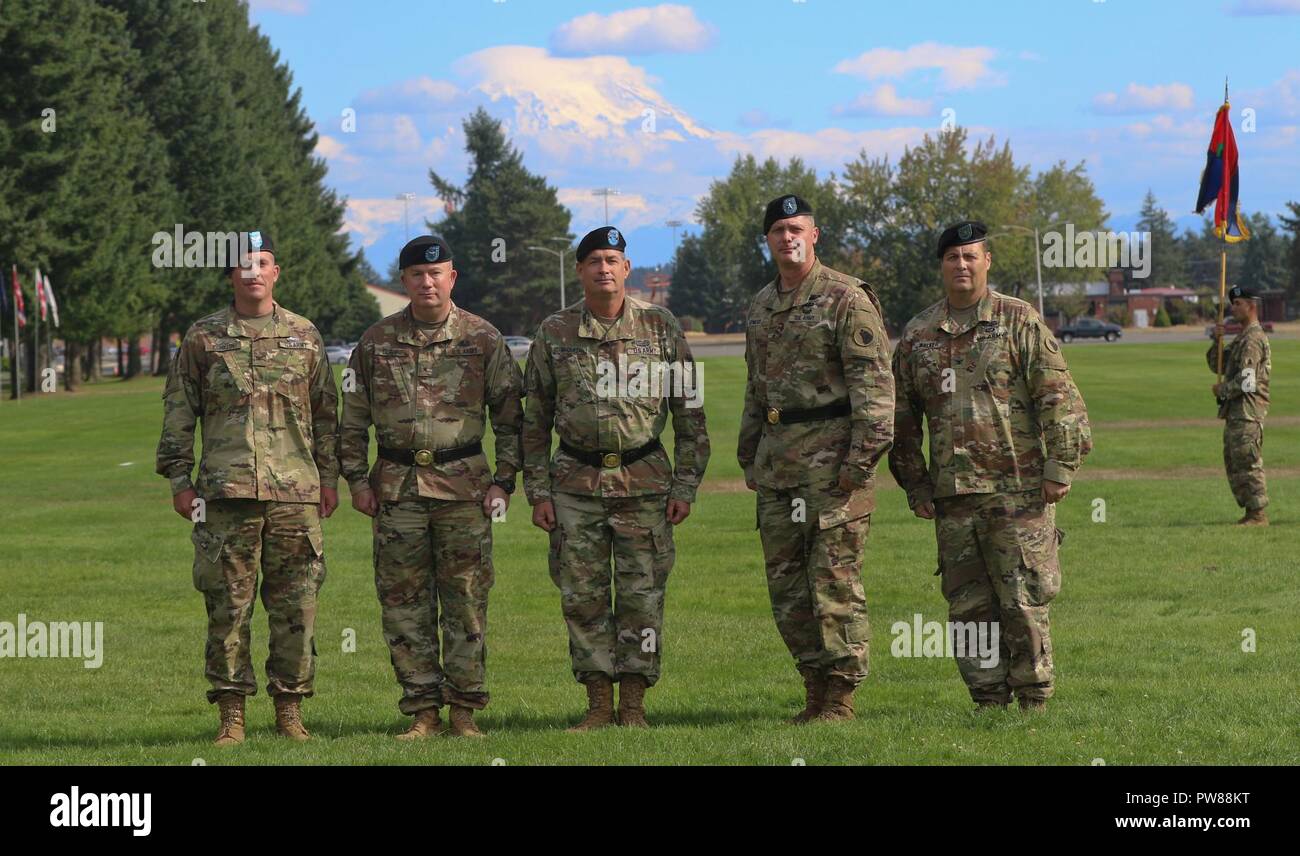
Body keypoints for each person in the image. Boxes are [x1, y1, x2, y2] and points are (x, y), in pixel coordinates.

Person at [889, 221, 1091, 712]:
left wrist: (1060, 467)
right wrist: (915, 484)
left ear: (986, 262)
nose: (962, 265)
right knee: (967, 607)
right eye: (952, 257)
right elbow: (899, 420)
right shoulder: (918, 334)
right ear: (941, 265)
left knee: (1022, 598)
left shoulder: (1018, 320)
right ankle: (987, 700)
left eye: (970, 256)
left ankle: (1034, 697)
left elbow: (1059, 398)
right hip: (953, 496)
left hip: (1017, 491)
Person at [523, 226, 709, 730]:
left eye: (613, 260)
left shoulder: (660, 327)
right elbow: (533, 420)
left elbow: (690, 412)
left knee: (642, 598)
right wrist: (538, 492)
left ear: (627, 269)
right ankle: (597, 705)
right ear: (579, 271)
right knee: (581, 598)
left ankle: (633, 707)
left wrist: (686, 485)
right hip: (575, 485)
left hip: (645, 482)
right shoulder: (554, 332)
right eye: (594, 261)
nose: (604, 269)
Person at [156, 230, 339, 744]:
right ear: (230, 274)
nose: (253, 272)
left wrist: (330, 479)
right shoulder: (204, 337)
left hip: (296, 495)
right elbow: (178, 409)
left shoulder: (305, 335)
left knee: (297, 609)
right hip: (226, 495)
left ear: (276, 272)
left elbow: (327, 415)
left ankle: (290, 712)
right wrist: (178, 478)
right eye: (243, 265)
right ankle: (231, 716)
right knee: (227, 610)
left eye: (262, 263)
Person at [340, 235, 522, 738]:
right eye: (417, 275)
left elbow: (511, 418)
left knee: (466, 599)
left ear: (452, 277)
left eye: (436, 272)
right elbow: (351, 420)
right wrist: (356, 479)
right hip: (396, 489)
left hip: (465, 489)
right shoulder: (374, 343)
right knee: (403, 602)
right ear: (404, 281)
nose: (427, 281)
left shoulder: (483, 339)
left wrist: (504, 481)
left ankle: (463, 709)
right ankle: (421, 709)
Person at [738, 194, 894, 723]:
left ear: (815, 235)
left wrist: (858, 465)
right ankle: (812, 689)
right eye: (779, 229)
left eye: (797, 228)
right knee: (786, 589)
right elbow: (757, 390)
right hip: (779, 467)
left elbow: (875, 392)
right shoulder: (760, 306)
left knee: (833, 584)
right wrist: (748, 456)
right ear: (769, 240)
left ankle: (842, 697)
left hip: (833, 467)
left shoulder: (846, 298)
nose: (788, 237)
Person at [1208, 285, 1271, 525]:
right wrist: (1217, 339)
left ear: (1251, 306)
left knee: (1248, 461)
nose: (1233, 308)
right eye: (1232, 303)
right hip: (1235, 412)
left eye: (1238, 304)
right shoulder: (1241, 338)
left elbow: (1247, 381)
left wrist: (1222, 389)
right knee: (1235, 461)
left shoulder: (1253, 339)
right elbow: (1218, 366)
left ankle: (1258, 514)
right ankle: (1250, 512)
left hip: (1248, 411)